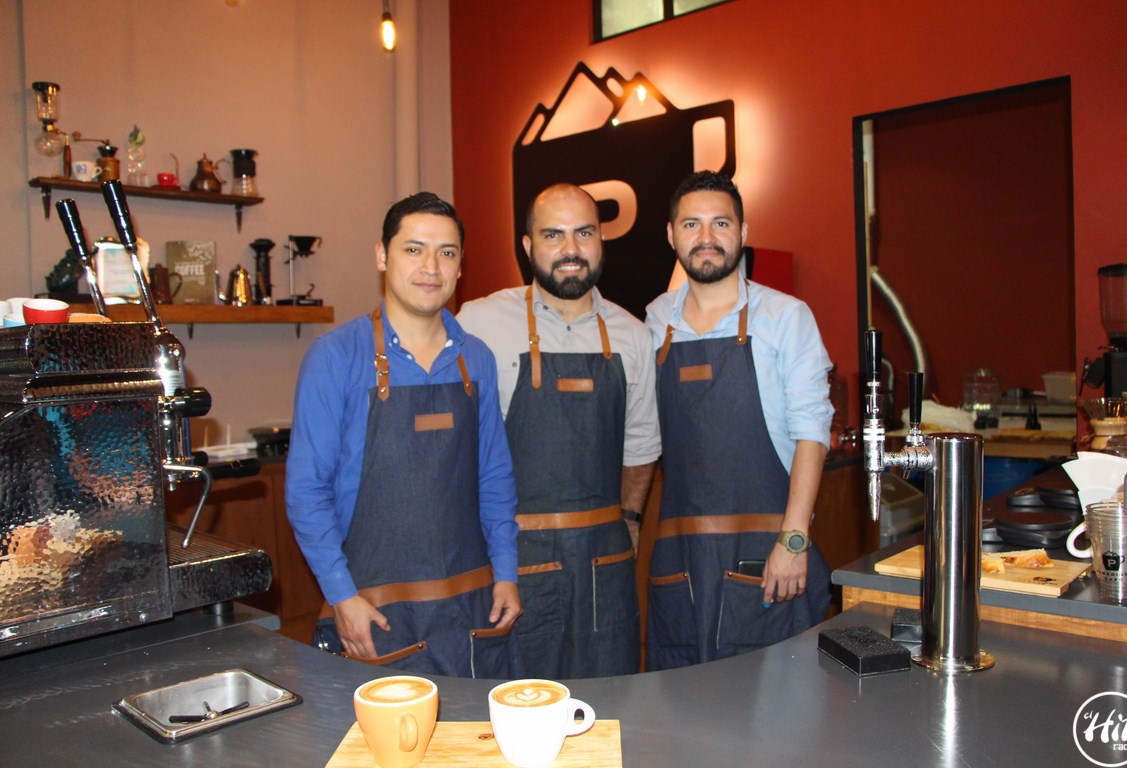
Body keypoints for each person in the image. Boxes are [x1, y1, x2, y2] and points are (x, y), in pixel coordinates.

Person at [285, 192, 523, 678]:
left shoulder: (475, 358)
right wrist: (341, 596)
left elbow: (495, 478)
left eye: (447, 252)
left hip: (471, 609)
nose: (430, 266)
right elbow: (307, 492)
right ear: (382, 256)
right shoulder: (335, 357)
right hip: (373, 614)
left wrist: (506, 571)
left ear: (460, 265)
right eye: (413, 249)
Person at [457, 183, 661, 678]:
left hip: (604, 562)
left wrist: (630, 518)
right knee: (515, 705)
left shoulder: (633, 334)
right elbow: (454, 449)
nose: (570, 250)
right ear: (528, 247)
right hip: (511, 558)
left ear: (600, 241)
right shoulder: (478, 322)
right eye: (553, 235)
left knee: (611, 707)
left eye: (583, 233)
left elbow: (640, 443)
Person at [644, 171, 833, 671]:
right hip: (680, 560)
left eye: (720, 223)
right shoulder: (654, 321)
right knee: (683, 722)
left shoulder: (785, 317)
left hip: (769, 554)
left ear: (743, 232)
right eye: (691, 225)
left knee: (778, 723)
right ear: (671, 235)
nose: (706, 238)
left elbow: (812, 432)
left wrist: (794, 540)